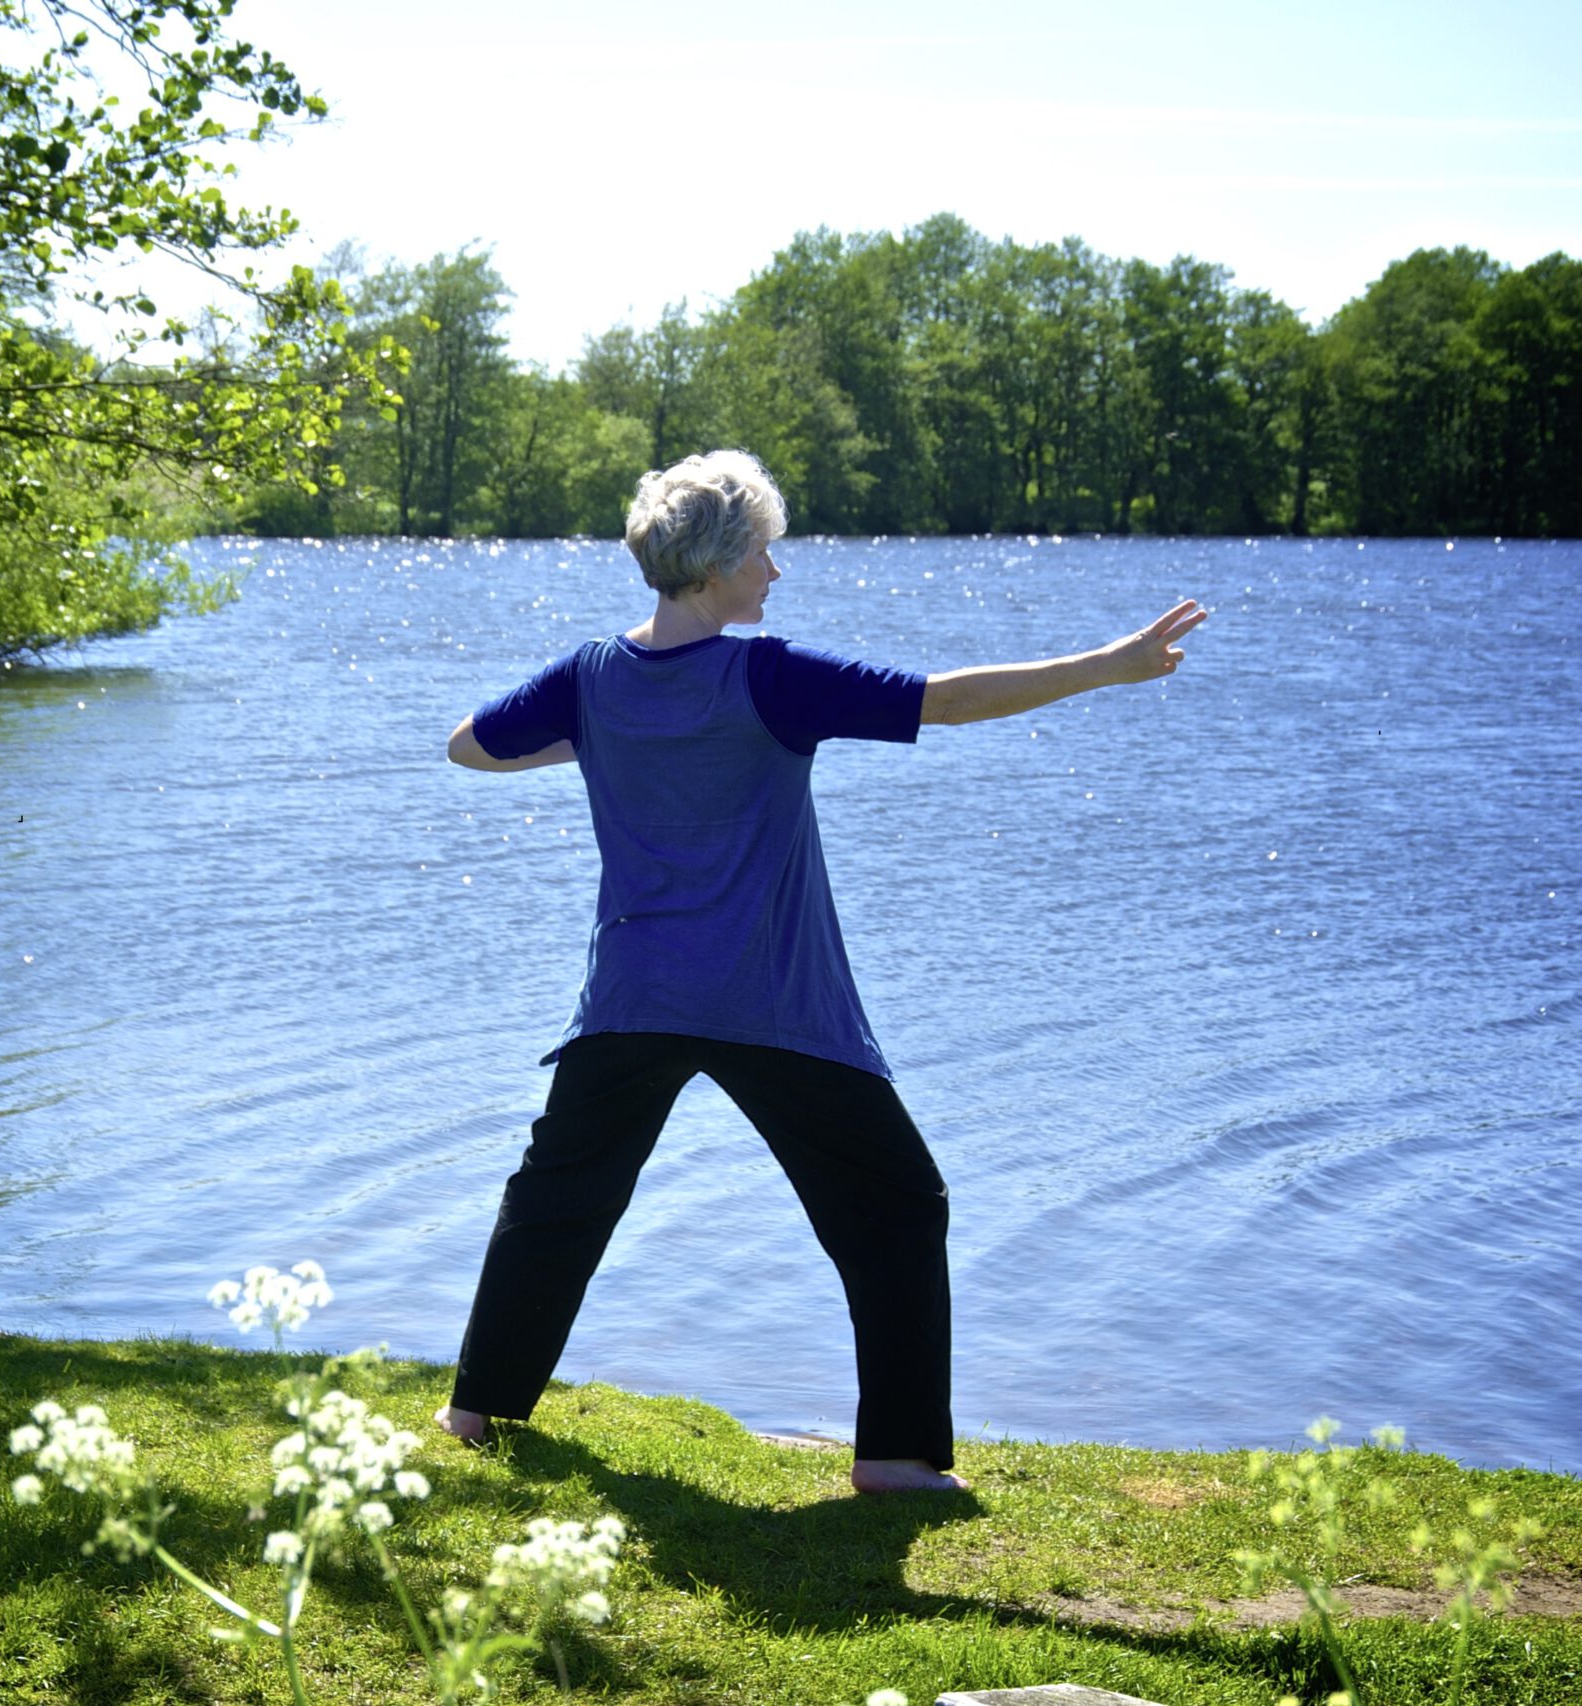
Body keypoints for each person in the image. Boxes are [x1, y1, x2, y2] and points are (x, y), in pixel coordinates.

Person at [436, 448, 1206, 1494]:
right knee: (895, 1203)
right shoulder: (767, 677)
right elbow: (940, 699)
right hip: (769, 1002)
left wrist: (607, 743)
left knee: (559, 1195)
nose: (776, 572)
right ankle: (893, 1459)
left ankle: (474, 1414)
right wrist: (1102, 666)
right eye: (764, 551)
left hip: (632, 999)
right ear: (714, 566)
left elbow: (468, 747)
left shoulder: (589, 678)